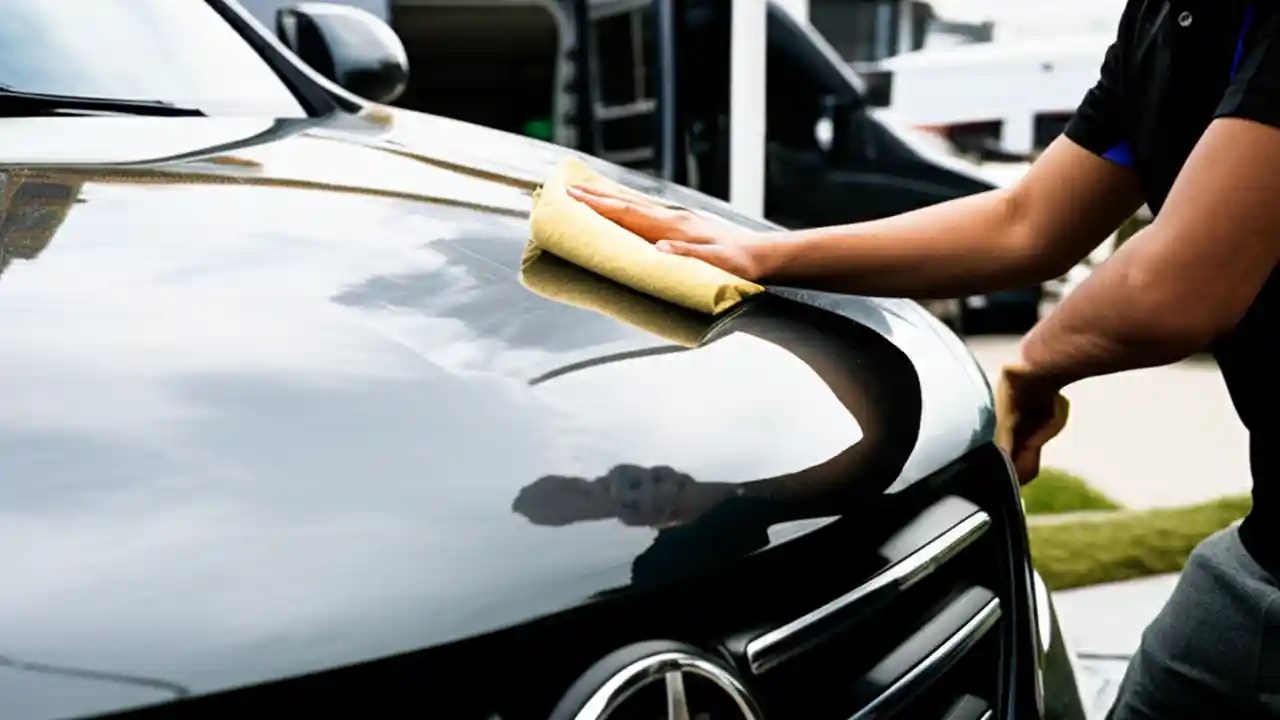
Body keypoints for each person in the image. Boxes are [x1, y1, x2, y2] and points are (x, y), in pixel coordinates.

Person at [566, 3, 1280, 716]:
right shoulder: (1160, 22)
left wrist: (1036, 364)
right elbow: (1028, 222)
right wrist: (761, 254)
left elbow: (1176, 285)